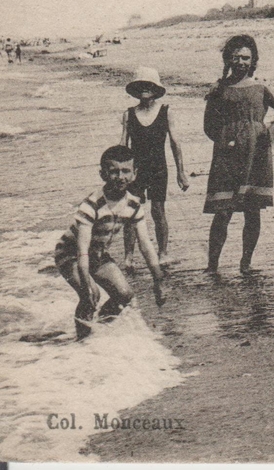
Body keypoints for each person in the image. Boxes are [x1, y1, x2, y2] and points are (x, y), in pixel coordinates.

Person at [57, 145, 165, 338]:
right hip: (71, 254)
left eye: (126, 171)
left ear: (134, 174)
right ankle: (82, 341)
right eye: (114, 172)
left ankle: (99, 333)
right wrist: (87, 286)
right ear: (103, 174)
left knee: (124, 295)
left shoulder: (133, 204)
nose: (120, 177)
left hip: (97, 254)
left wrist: (158, 280)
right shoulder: (92, 204)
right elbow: (82, 250)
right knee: (91, 295)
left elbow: (145, 245)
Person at [202, 35, 274, 274]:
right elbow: (209, 124)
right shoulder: (219, 89)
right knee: (223, 211)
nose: (241, 62)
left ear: (253, 60)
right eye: (236, 57)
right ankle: (212, 265)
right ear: (228, 59)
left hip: (257, 154)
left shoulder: (261, 87)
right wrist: (224, 140)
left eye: (246, 58)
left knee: (252, 210)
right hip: (227, 158)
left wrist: (273, 127)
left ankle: (246, 263)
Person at [120, 68, 187, 265]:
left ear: (156, 89)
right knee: (131, 213)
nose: (145, 90)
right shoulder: (129, 114)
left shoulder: (166, 112)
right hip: (136, 170)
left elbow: (175, 144)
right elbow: (122, 146)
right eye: (140, 86)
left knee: (158, 211)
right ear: (135, 90)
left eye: (149, 86)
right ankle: (128, 257)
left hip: (158, 168)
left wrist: (181, 173)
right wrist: (119, 174)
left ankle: (163, 252)